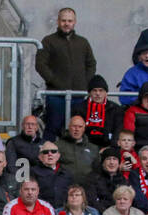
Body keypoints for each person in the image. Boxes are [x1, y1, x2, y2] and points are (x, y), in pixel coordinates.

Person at [35, 8, 97, 138]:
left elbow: (91, 64)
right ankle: (48, 155)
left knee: (77, 129)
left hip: (78, 95)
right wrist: (54, 81)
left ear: (75, 22)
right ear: (58, 21)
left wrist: (85, 83)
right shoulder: (48, 41)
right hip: (56, 95)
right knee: (53, 127)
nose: (66, 23)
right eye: (63, 20)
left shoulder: (83, 42)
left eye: (70, 20)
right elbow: (40, 65)